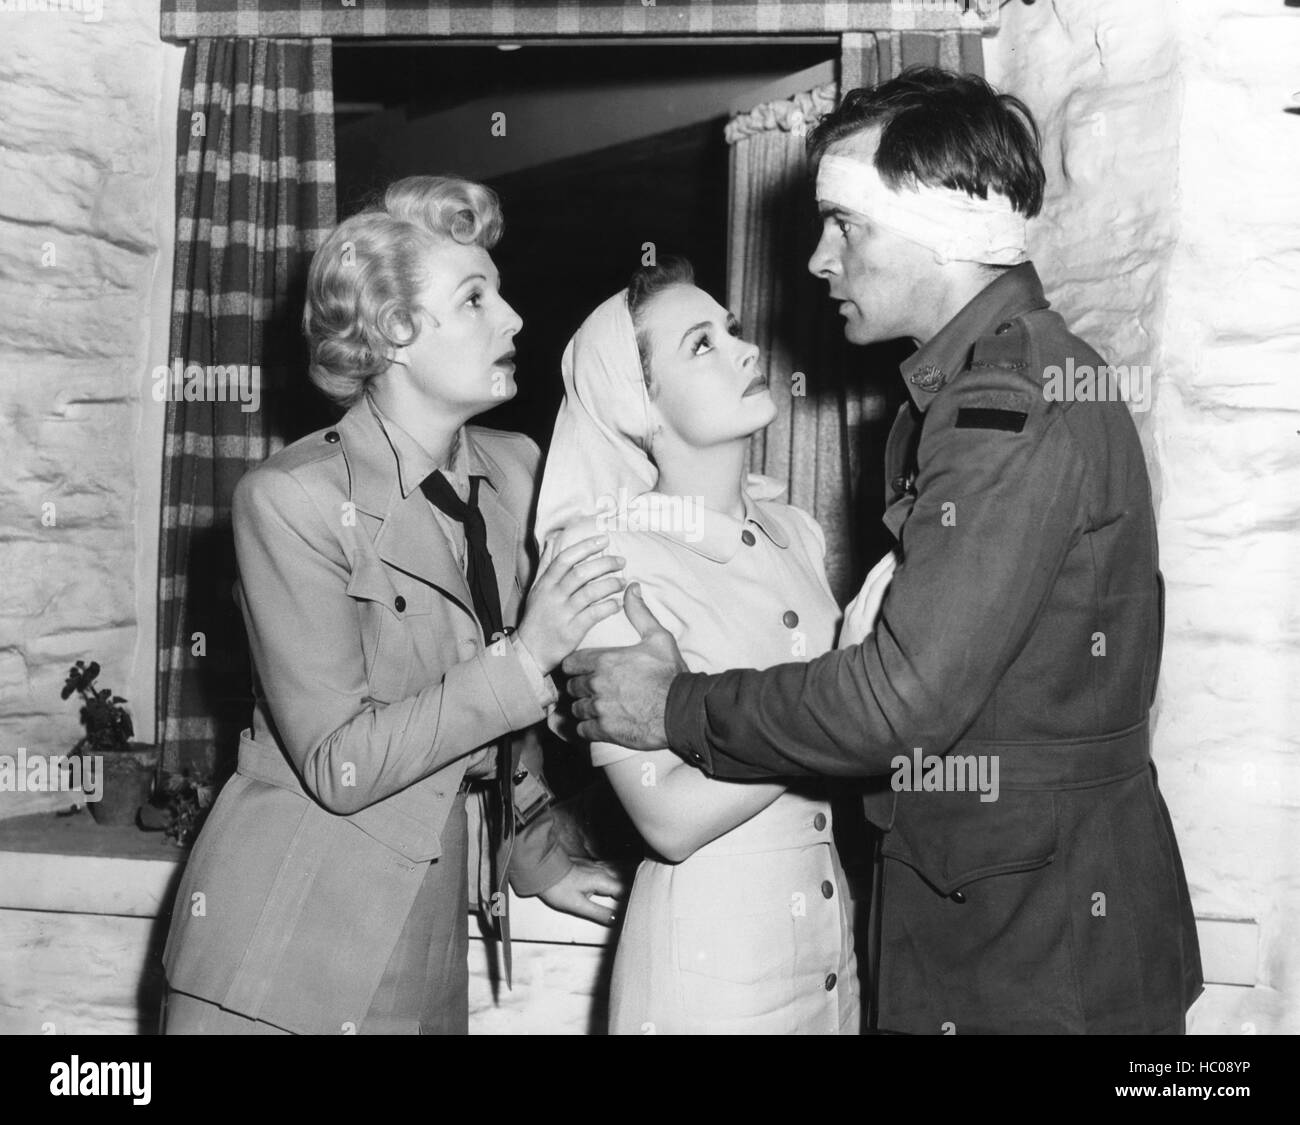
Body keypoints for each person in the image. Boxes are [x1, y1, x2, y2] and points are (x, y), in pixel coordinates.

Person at [563, 69, 1204, 1035]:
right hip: (1023, 930)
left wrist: (673, 704)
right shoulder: (1002, 384)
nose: (818, 259)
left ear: (937, 227)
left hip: (1030, 957)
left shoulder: (1004, 408)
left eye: (844, 225)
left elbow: (897, 705)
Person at [161, 175, 625, 1035]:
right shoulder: (292, 497)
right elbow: (340, 762)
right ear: (396, 330)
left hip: (426, 941)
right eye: (476, 298)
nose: (513, 318)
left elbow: (502, 728)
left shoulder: (517, 468)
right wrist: (527, 657)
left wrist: (537, 854)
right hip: (278, 953)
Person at [535, 260, 859, 1034]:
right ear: (638, 405)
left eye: (733, 331)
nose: (747, 350)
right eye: (702, 344)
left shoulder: (798, 534)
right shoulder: (606, 557)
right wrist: (851, 711)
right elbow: (669, 817)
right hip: (712, 978)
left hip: (831, 962)